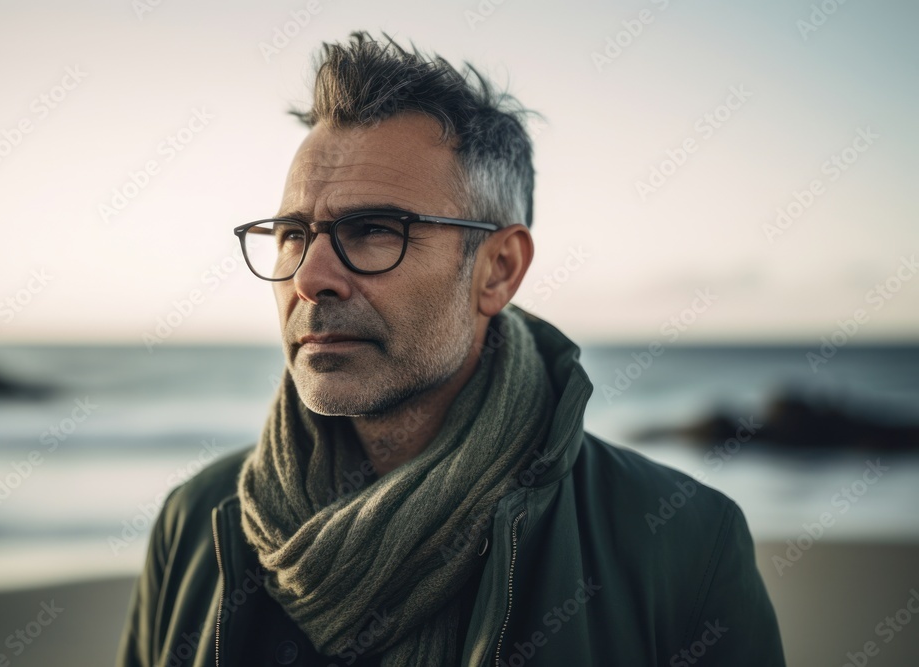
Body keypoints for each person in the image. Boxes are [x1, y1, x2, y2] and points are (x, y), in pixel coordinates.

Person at [117, 31, 786, 667]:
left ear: (497, 269)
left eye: (375, 229)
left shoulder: (683, 545)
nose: (311, 277)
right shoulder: (196, 526)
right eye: (293, 234)